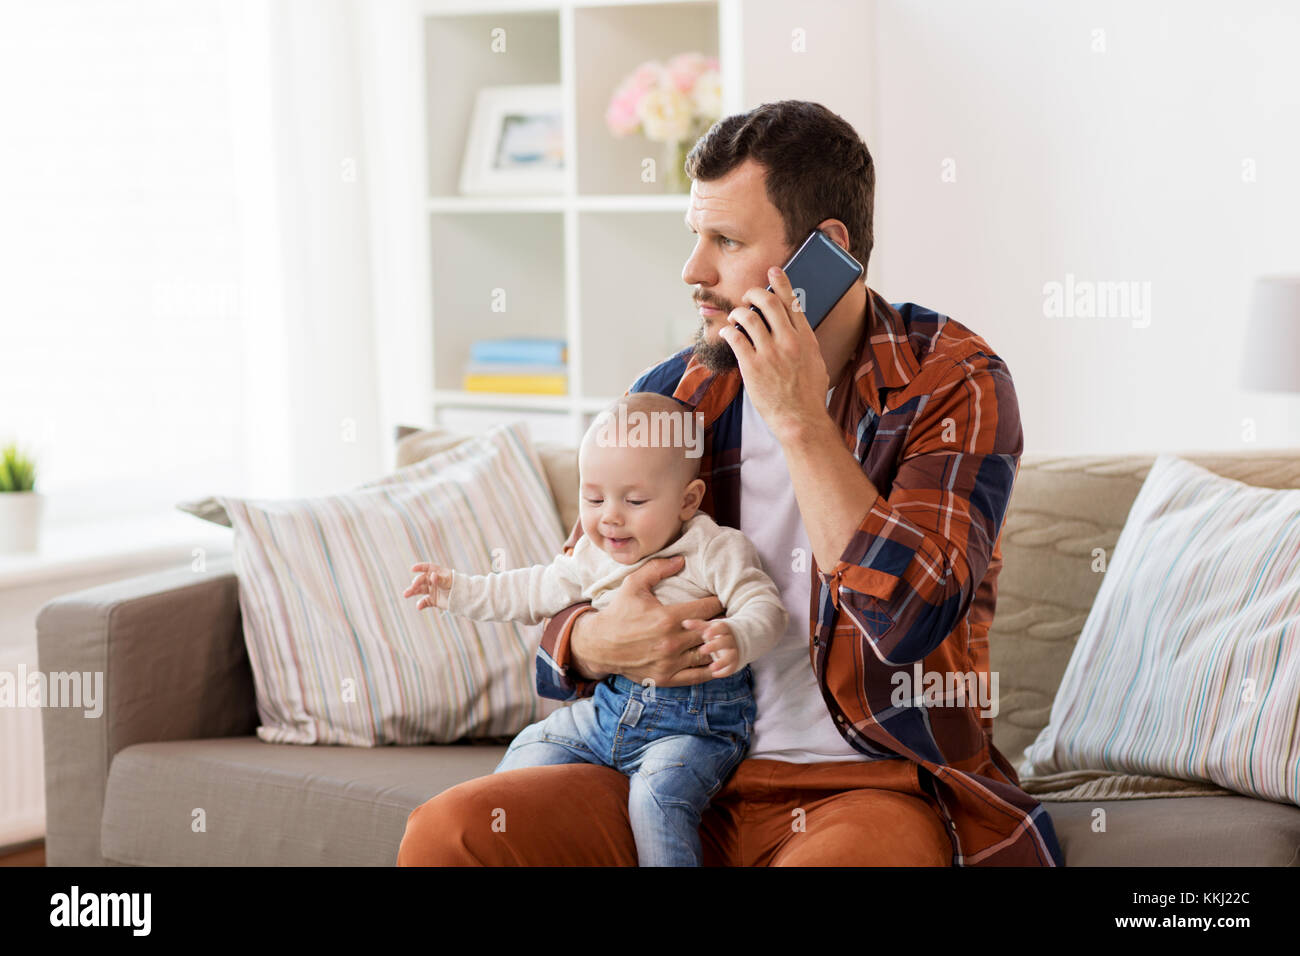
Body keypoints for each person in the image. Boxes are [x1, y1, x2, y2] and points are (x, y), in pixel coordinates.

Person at [398, 99, 1064, 867]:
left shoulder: (952, 383)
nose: (693, 271)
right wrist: (591, 640)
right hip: (667, 762)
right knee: (450, 834)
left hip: (870, 784)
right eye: (695, 237)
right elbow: (573, 590)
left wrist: (799, 422)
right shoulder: (677, 391)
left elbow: (909, 618)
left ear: (825, 252)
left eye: (726, 240)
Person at [403, 391, 787, 866]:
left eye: (635, 500)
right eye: (594, 497)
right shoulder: (592, 552)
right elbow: (530, 591)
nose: (610, 515)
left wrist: (741, 635)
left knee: (657, 798)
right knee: (532, 744)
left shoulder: (714, 550)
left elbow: (765, 605)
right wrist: (456, 590)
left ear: (688, 501)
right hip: (608, 714)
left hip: (696, 729)